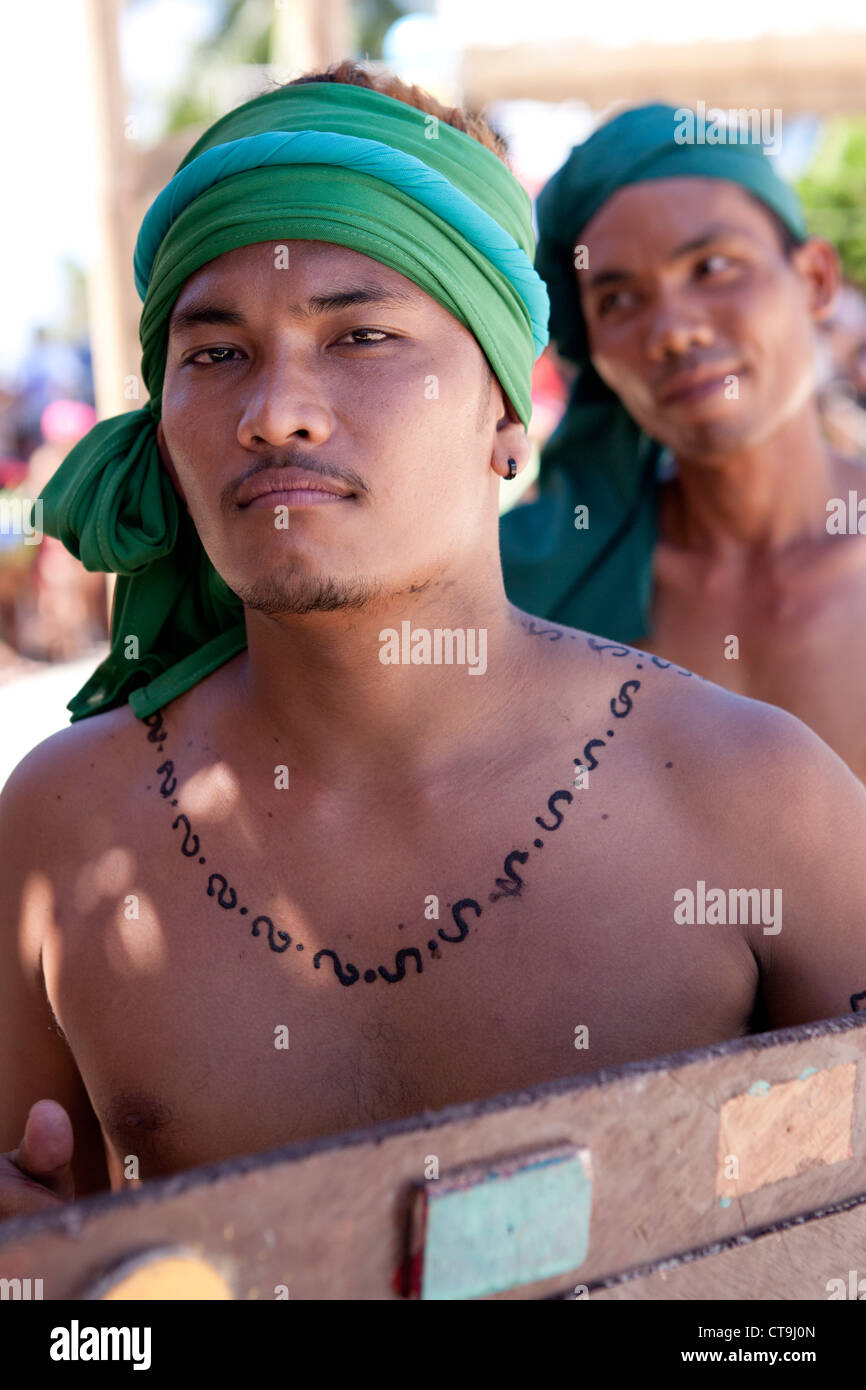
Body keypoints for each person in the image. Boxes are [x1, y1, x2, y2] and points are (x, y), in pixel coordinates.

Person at [1, 68, 865, 1219]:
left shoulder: (756, 796)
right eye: (215, 354)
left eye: (359, 334)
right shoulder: (64, 828)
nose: (275, 410)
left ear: (505, 411)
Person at [501, 104, 866, 782]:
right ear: (593, 355)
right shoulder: (535, 598)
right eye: (617, 301)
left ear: (815, 279)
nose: (672, 331)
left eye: (714, 266)